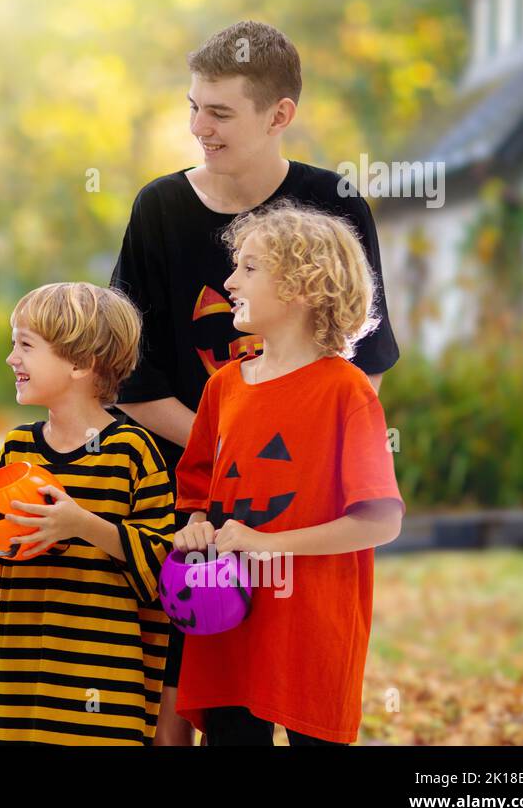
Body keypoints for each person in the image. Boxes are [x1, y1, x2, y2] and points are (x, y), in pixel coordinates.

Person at [109, 20, 400, 744]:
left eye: (220, 112)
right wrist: (232, 437)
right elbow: (134, 381)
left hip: (305, 519)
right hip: (199, 500)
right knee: (198, 691)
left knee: (300, 685)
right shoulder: (160, 209)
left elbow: (361, 364)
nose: (199, 128)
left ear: (279, 115)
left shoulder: (333, 202)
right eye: (193, 107)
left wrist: (298, 458)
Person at [171, 201, 404, 745]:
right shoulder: (222, 387)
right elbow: (197, 494)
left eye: (249, 268)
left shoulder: (347, 392)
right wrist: (197, 526)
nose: (230, 282)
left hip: (311, 628)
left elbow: (379, 522)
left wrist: (266, 543)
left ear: (305, 286)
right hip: (229, 618)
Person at [0, 282, 175, 745]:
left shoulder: (131, 453)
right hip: (26, 691)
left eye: (25, 346)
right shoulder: (18, 451)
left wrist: (82, 525)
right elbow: (0, 585)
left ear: (80, 363)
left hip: (104, 699)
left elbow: (161, 572)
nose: (11, 359)